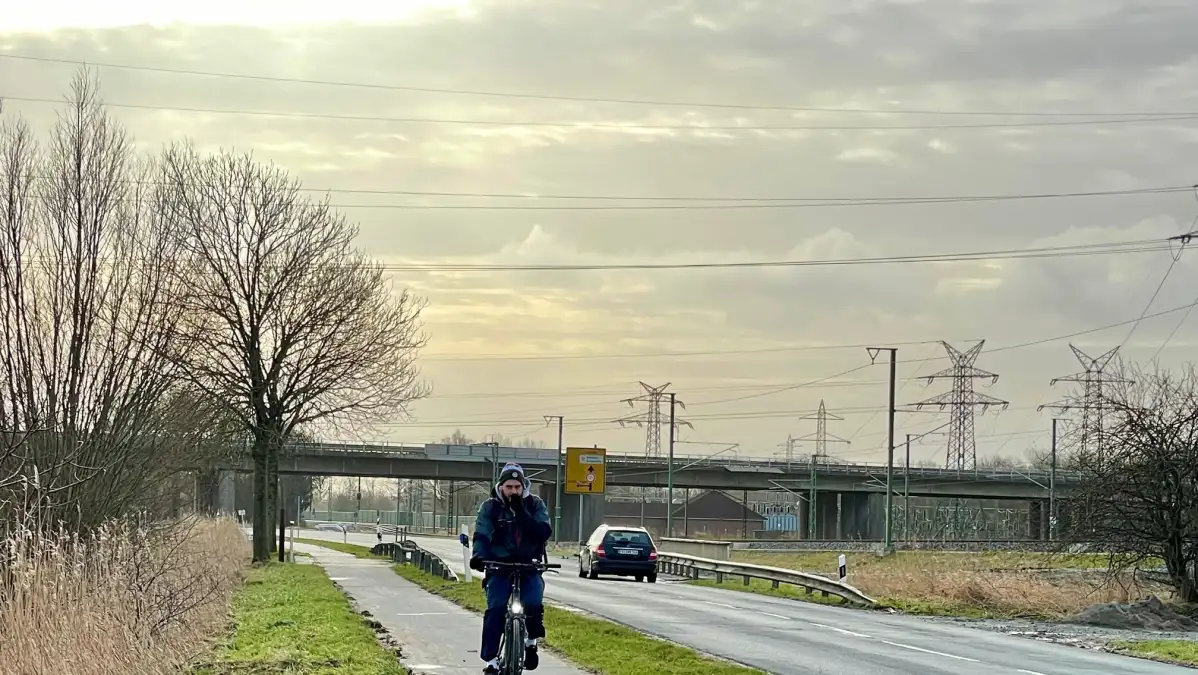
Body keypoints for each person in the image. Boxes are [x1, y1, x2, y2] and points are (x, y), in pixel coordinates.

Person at [469, 463, 552, 673]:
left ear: (523, 487)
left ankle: (530, 643)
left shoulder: (535, 505)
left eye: (517, 487)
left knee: (533, 603)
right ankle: (491, 661)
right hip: (499, 566)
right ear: (501, 487)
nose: (513, 491)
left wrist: (522, 513)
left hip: (529, 565)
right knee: (495, 608)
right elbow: (482, 533)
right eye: (509, 487)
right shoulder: (490, 507)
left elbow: (543, 531)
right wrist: (479, 556)